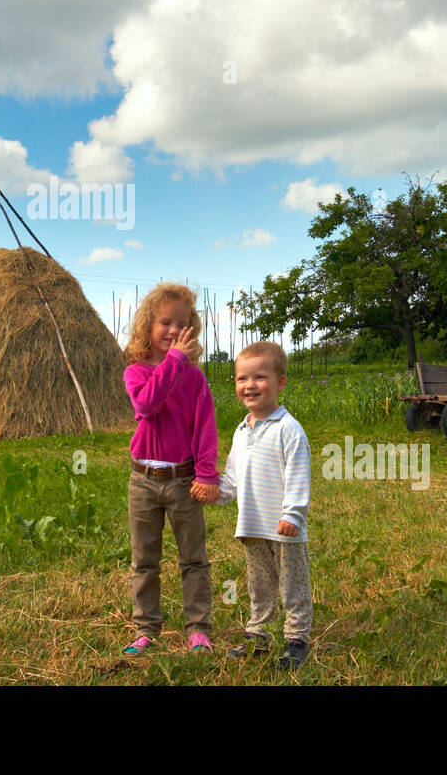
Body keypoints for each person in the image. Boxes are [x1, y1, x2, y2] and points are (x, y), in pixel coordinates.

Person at [121, 283, 219, 654]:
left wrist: (207, 474)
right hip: (143, 481)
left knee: (193, 558)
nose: (174, 331)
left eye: (183, 324)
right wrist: (175, 362)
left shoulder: (195, 379)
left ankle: (198, 628)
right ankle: (146, 628)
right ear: (147, 327)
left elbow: (205, 428)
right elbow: (147, 406)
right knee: (145, 560)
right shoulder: (136, 372)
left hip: (184, 481)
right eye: (165, 322)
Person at [215, 340, 313, 670]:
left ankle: (297, 638)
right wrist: (215, 491)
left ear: (280, 382)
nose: (250, 385)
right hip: (252, 526)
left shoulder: (289, 429)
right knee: (258, 585)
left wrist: (293, 514)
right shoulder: (241, 430)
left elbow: (299, 475)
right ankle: (260, 633)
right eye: (242, 379)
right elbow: (232, 477)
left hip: (284, 527)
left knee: (292, 584)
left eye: (260, 377)